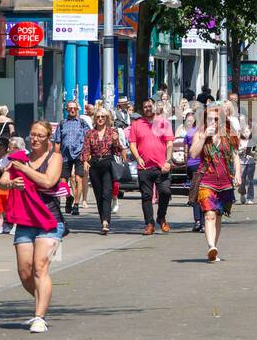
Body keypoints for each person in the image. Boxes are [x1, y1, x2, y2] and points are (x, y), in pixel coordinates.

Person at [0, 121, 65, 332]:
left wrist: (24, 170)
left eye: (40, 136)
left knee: (40, 267)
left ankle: (39, 316)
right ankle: (41, 300)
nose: (35, 139)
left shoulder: (54, 158)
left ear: (48, 138)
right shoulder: (19, 158)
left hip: (49, 220)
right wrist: (11, 183)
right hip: (25, 220)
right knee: (25, 272)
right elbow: (2, 181)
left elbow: (48, 181)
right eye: (32, 135)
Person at [189, 104, 242, 262]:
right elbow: (193, 154)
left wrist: (238, 174)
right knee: (209, 214)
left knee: (218, 215)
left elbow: (235, 156)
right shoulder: (200, 133)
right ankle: (211, 245)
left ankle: (214, 249)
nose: (213, 121)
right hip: (207, 180)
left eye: (216, 118)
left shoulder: (229, 134)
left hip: (225, 181)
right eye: (209, 118)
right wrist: (205, 136)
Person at [129, 98, 173, 235]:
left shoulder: (163, 122)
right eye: (145, 106)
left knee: (165, 192)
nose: (148, 108)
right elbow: (132, 144)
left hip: (161, 166)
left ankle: (161, 217)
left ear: (154, 106)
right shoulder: (137, 124)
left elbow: (170, 143)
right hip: (144, 167)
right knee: (146, 196)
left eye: (150, 106)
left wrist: (168, 161)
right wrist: (138, 157)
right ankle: (149, 223)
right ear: (142, 109)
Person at [82, 106, 126, 236]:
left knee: (107, 193)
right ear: (95, 118)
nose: (100, 119)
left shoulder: (112, 132)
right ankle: (103, 218)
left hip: (108, 163)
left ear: (107, 118)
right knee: (98, 194)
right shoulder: (90, 133)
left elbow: (118, 150)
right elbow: (86, 149)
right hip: (95, 164)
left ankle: (106, 221)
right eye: (98, 117)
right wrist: (85, 161)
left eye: (103, 117)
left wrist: (115, 141)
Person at [53, 100, 90, 214]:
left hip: (79, 154)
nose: (72, 110)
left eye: (74, 108)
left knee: (78, 178)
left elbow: (88, 139)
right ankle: (69, 197)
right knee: (63, 182)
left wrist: (87, 155)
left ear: (77, 110)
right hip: (65, 155)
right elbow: (57, 141)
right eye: (70, 108)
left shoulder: (82, 123)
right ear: (67, 110)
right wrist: (56, 155)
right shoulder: (62, 123)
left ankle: (76, 204)